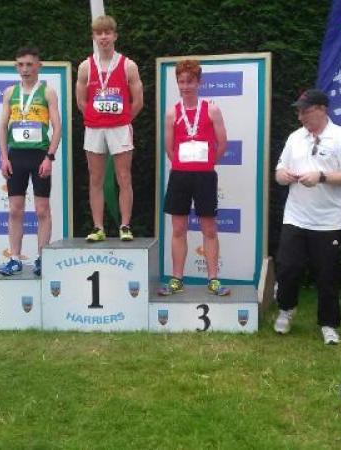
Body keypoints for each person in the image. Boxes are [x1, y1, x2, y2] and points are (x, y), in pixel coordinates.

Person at [273, 88, 341, 344]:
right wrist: (284, 176)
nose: (300, 116)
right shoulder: (295, 138)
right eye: (299, 111)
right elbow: (279, 171)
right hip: (295, 217)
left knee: (327, 275)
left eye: (306, 111)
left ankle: (329, 324)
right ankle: (286, 310)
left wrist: (320, 177)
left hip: (328, 221)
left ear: (322, 110)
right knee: (287, 268)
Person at [158, 59, 230, 297]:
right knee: (178, 228)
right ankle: (177, 278)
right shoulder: (172, 113)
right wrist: (182, 163)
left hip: (205, 176)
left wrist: (207, 161)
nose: (185, 86)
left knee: (209, 229)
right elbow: (169, 148)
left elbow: (222, 143)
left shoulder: (212, 109)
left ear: (199, 82)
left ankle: (213, 279)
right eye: (181, 81)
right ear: (177, 83)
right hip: (180, 175)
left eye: (190, 81)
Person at [75, 14, 143, 242]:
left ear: (115, 35)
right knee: (96, 178)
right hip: (94, 129)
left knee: (123, 177)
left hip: (120, 128)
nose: (103, 37)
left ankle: (125, 225)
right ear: (94, 37)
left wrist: (122, 120)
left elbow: (138, 101)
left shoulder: (128, 65)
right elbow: (81, 101)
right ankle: (98, 227)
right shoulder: (86, 66)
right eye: (98, 33)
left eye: (107, 33)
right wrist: (96, 119)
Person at [0, 46, 61, 276]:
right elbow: (2, 127)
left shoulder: (47, 92)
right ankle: (14, 258)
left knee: (42, 209)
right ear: (16, 66)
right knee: (15, 209)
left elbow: (57, 127)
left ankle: (42, 258)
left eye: (29, 64)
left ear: (38, 66)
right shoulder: (9, 92)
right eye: (21, 64)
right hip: (16, 156)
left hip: (39, 155)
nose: (25, 69)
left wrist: (49, 157)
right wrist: (4, 157)